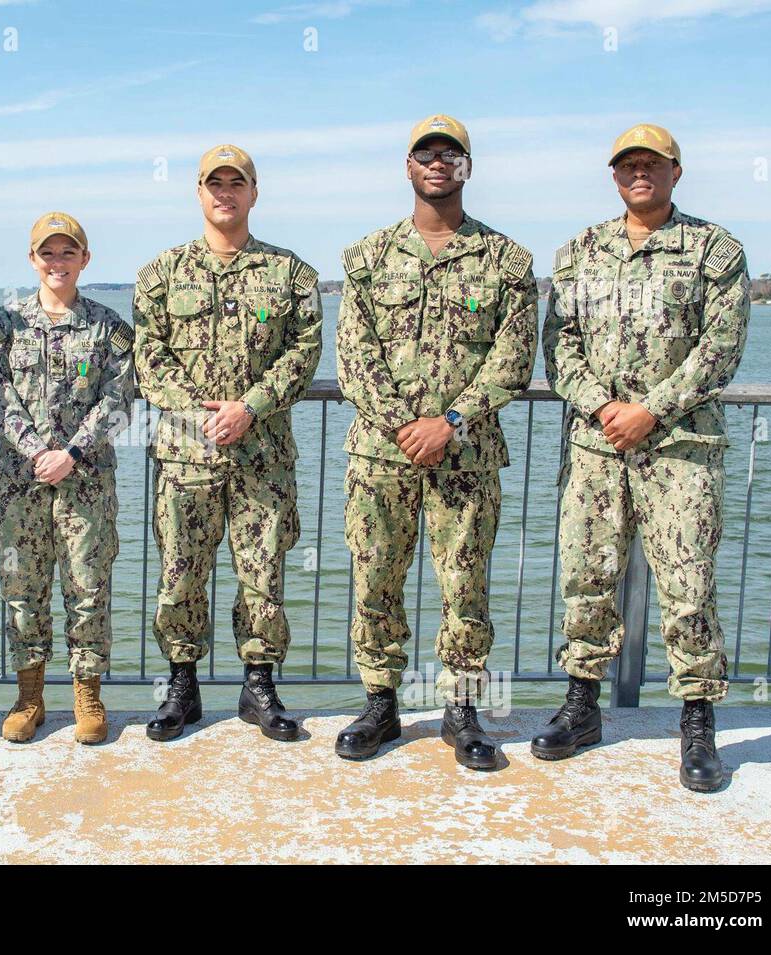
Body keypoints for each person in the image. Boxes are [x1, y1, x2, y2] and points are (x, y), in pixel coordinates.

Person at [538, 124, 749, 792]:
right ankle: (582, 706)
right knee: (587, 578)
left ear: (676, 173)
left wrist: (651, 408)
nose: (639, 174)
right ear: (614, 175)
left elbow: (721, 347)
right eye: (628, 165)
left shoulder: (716, 250)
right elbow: (559, 344)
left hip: (680, 448)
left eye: (652, 164)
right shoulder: (579, 253)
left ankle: (697, 720)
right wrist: (604, 406)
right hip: (596, 447)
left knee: (688, 586)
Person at [334, 115, 538, 768]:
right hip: (380, 454)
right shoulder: (365, 259)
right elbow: (354, 357)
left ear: (468, 167)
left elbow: (513, 357)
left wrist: (448, 421)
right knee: (375, 580)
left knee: (466, 584)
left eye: (452, 152)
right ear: (408, 166)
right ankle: (380, 702)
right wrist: (404, 425)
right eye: (426, 151)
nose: (438, 161)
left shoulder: (509, 261)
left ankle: (463, 709)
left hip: (466, 453)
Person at [133, 144, 322, 742]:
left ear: (253, 193)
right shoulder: (160, 274)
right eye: (214, 184)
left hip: (261, 456)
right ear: (198, 193)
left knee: (263, 574)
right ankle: (181, 687)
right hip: (187, 457)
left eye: (235, 183)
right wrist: (198, 414)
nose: (224, 193)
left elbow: (304, 351)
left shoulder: (291, 273)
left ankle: (258, 685)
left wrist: (250, 407)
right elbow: (148, 355)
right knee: (180, 573)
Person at [0, 212, 134, 744]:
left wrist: (70, 452)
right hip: (19, 483)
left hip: (85, 481)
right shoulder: (4, 326)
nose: (57, 262)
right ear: (32, 260)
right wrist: (36, 450)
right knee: (22, 587)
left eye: (68, 253)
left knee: (88, 586)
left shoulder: (109, 329)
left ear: (84, 260)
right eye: (48, 253)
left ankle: (87, 695)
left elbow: (119, 401)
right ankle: (30, 696)